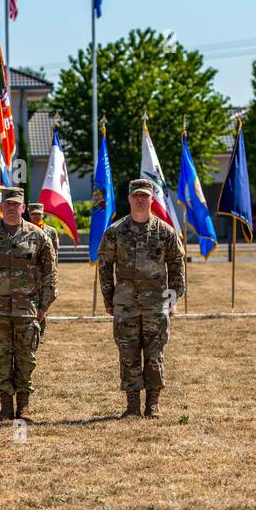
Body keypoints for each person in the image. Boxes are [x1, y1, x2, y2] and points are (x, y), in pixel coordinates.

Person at [0, 187, 57, 420]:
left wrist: (44, 306)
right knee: (0, 357)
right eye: (8, 205)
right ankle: (6, 406)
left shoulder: (38, 236)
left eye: (16, 205)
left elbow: (50, 273)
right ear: (1, 207)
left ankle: (23, 406)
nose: (12, 209)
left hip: (28, 309)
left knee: (26, 358)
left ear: (23, 208)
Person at [97, 179, 185, 418]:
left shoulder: (164, 231)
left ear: (151, 199)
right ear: (129, 199)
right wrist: (109, 298)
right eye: (136, 195)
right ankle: (133, 405)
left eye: (144, 196)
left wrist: (173, 299)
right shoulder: (115, 232)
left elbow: (177, 265)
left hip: (156, 305)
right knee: (129, 354)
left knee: (155, 355)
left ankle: (153, 404)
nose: (140, 199)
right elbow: (104, 266)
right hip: (125, 305)